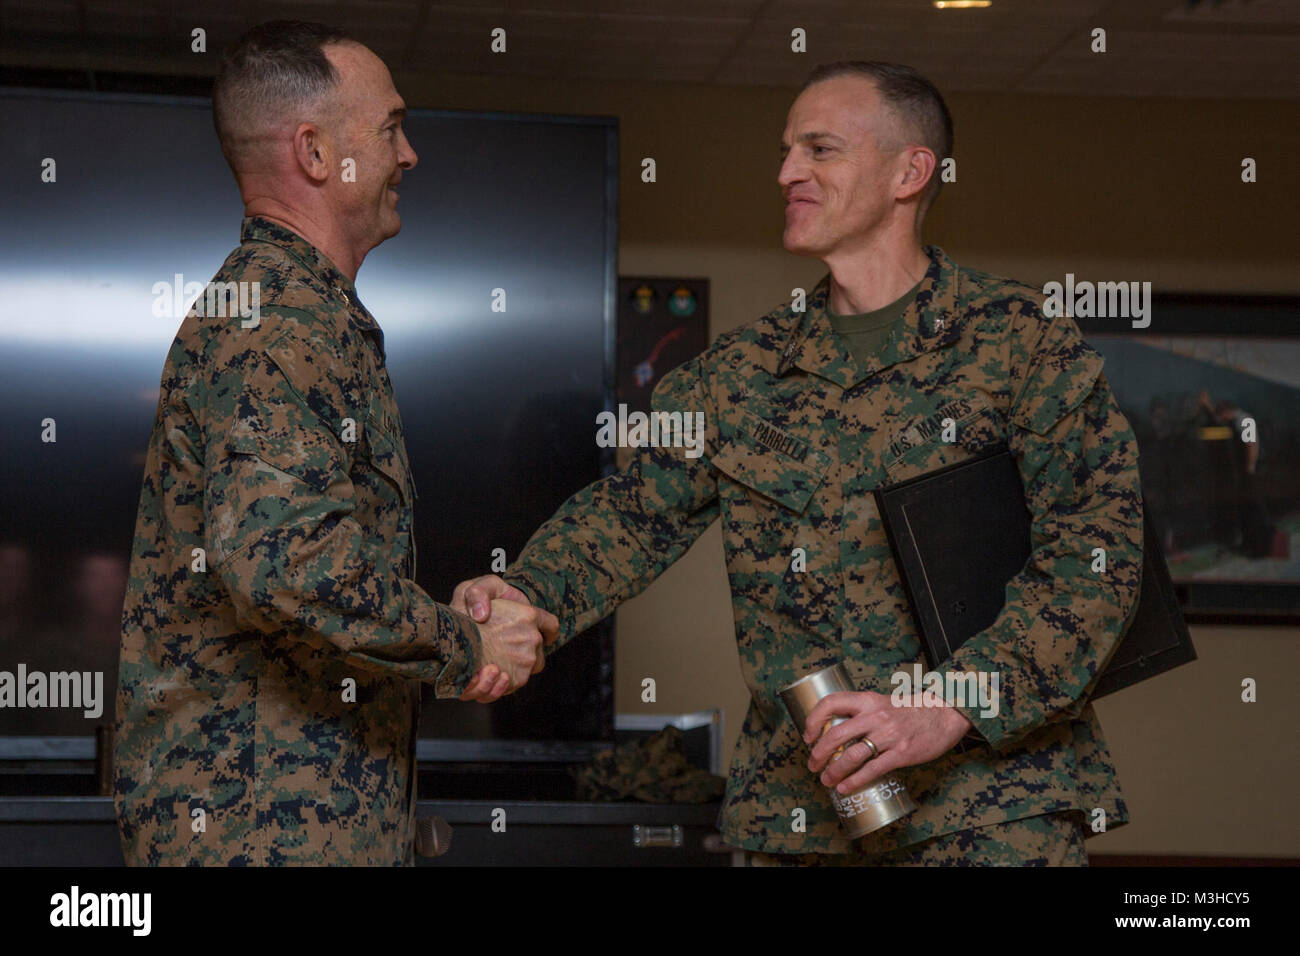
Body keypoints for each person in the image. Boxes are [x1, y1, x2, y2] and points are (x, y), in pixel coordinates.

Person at [456, 61, 1144, 865]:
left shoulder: (1022, 343)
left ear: (910, 171)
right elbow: (631, 517)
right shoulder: (739, 375)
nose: (787, 173)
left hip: (992, 815)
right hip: (800, 819)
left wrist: (950, 704)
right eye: (786, 151)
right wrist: (525, 592)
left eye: (819, 149)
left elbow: (1099, 558)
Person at [114, 20, 556, 866]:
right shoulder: (277, 319)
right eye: (390, 128)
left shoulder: (296, 310)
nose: (410, 154)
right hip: (260, 828)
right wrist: (467, 648)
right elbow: (284, 564)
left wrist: (435, 620)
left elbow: (309, 554)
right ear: (315, 154)